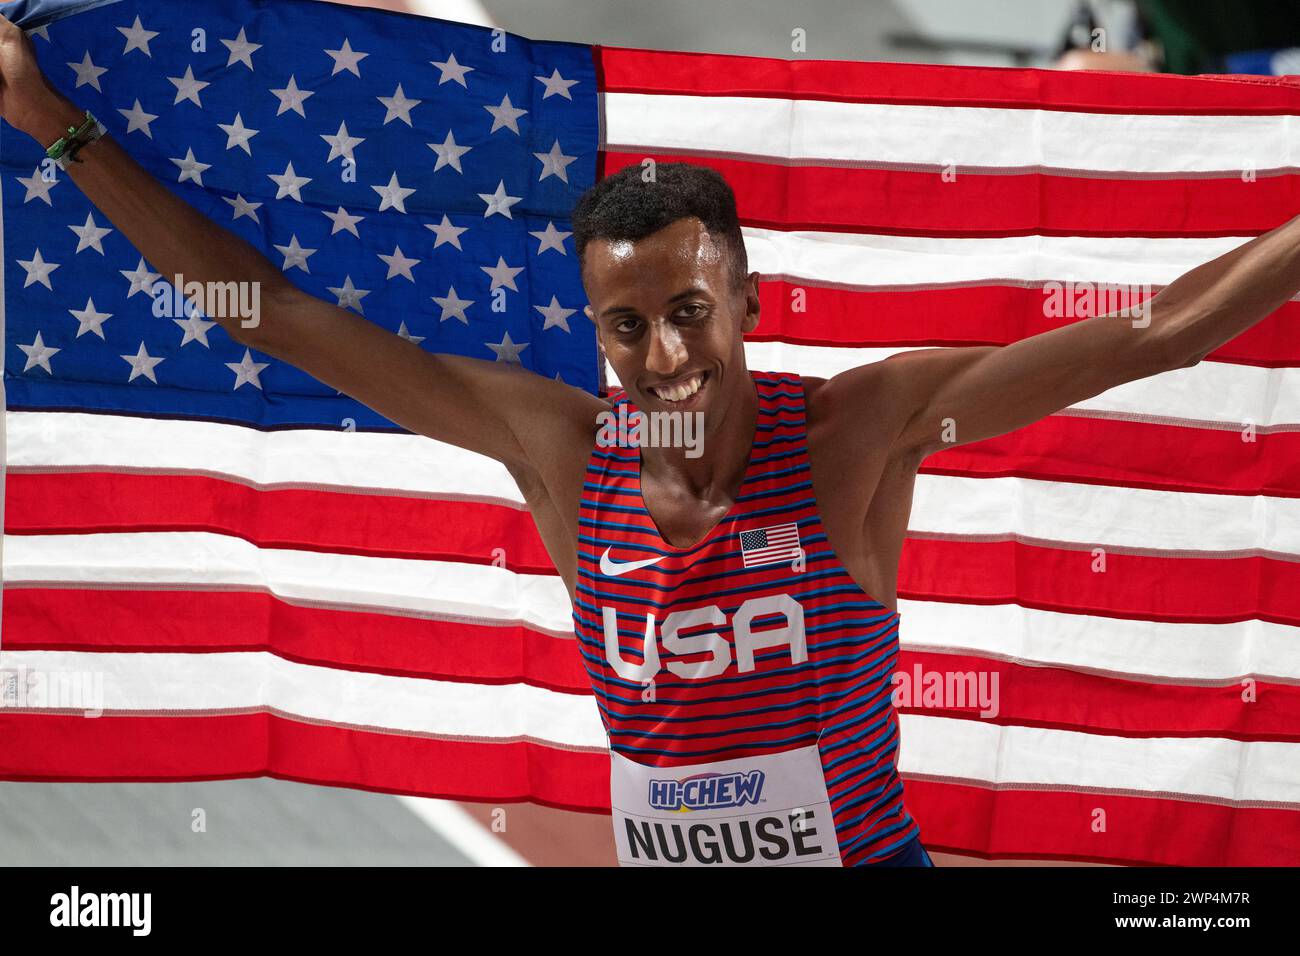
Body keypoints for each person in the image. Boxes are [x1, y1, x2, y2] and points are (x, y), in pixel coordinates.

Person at [2, 14, 1298, 867]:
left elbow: (1152, 338)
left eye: (690, 313)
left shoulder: (861, 431)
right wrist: (61, 135)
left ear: (745, 302)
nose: (666, 354)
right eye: (627, 326)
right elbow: (273, 317)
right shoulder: (559, 450)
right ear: (593, 330)